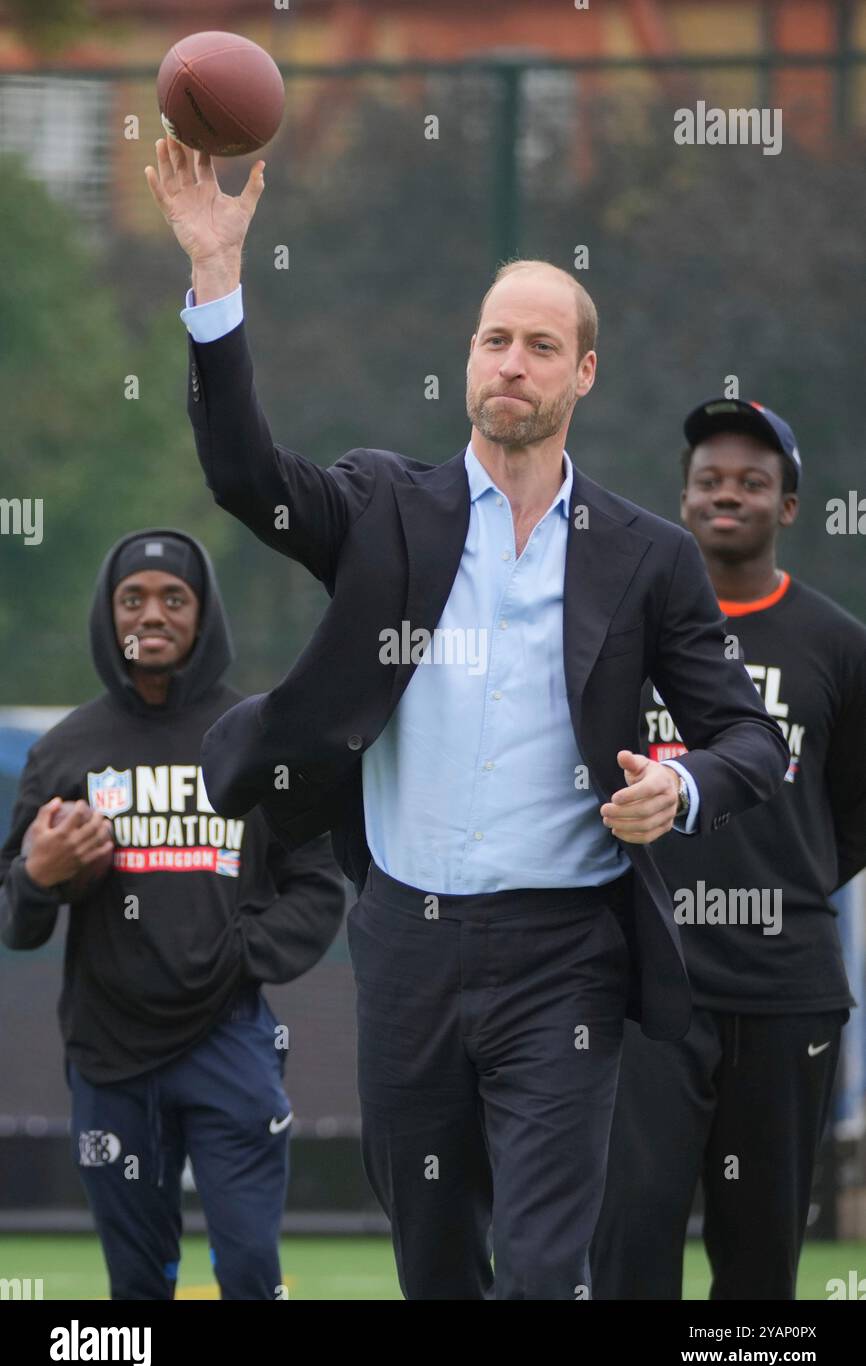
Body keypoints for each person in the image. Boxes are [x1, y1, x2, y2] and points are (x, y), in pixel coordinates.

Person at [145, 138, 789, 1300]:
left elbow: (750, 738)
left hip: (568, 956)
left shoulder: (646, 558)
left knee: (544, 1272)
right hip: (406, 942)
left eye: (541, 345)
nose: (512, 362)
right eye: (495, 339)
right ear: (467, 360)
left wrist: (678, 787)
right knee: (435, 1265)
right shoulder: (384, 508)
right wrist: (214, 274)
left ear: (582, 374)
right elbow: (244, 475)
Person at [0, 529, 345, 1300]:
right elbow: (15, 920)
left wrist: (238, 952)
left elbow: (317, 884)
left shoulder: (258, 737)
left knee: (250, 1271)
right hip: (108, 1055)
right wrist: (39, 874)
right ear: (109, 616)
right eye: (133, 599)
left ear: (203, 615)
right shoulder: (64, 752)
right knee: (137, 1284)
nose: (151, 614)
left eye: (173, 598)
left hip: (230, 1045)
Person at [591, 399, 866, 1300]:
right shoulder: (623, 635)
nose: (728, 495)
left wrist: (787, 882)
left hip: (786, 990)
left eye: (754, 482)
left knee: (759, 1268)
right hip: (647, 984)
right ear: (683, 498)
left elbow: (853, 815)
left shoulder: (838, 644)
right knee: (632, 1243)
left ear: (789, 506)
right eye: (710, 480)